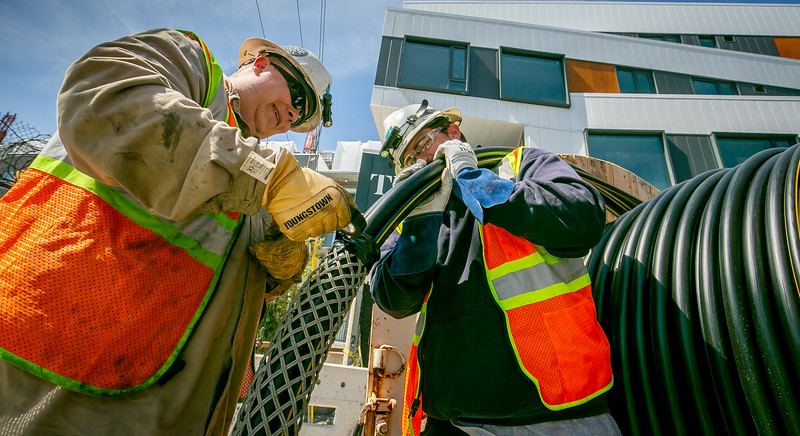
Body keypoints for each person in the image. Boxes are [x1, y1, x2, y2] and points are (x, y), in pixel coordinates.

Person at [0, 28, 359, 435]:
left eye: (302, 114)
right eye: (297, 96)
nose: (293, 114)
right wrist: (265, 177)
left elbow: (230, 279)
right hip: (46, 376)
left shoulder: (256, 176)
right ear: (261, 63)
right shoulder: (189, 68)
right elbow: (100, 104)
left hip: (162, 407)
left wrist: (282, 260)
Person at [369, 101, 621, 435]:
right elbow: (393, 300)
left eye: (423, 144)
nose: (422, 161)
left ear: (453, 134)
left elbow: (581, 217)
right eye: (409, 159)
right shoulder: (413, 218)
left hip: (555, 416)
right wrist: (420, 224)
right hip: (452, 421)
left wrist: (481, 185)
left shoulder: (518, 165)